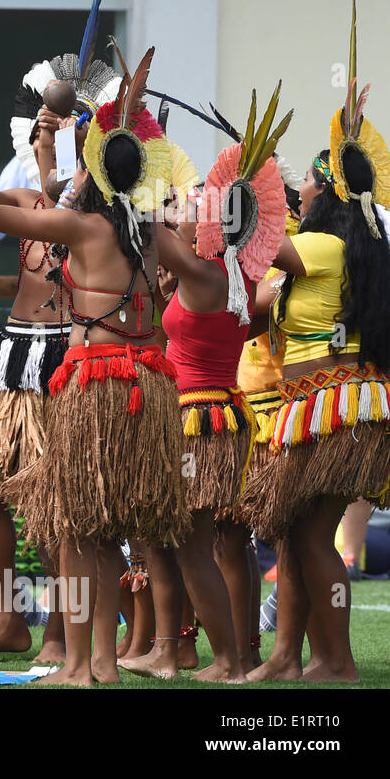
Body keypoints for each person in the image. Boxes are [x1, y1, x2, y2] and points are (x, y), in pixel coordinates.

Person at [0, 46, 184, 685]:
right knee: (108, 527)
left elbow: (0, 212)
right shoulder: (151, 231)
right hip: (149, 388)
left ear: (94, 169)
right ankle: (91, 661)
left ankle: (90, 663)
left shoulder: (86, 229)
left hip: (96, 384)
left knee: (81, 529)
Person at [121, 88, 294, 684]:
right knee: (228, 540)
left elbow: (145, 224)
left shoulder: (202, 271)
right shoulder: (245, 276)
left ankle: (227, 659)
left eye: (202, 203)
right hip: (227, 416)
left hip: (196, 422)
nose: (190, 206)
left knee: (196, 546)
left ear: (219, 221)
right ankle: (239, 653)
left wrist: (137, 160)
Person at [0, 46, 120, 655]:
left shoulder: (109, 223)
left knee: (59, 496)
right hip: (13, 355)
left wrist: (73, 142)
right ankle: (9, 616)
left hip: (69, 358)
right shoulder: (34, 205)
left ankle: (62, 629)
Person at [249, 66, 390, 682]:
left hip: (329, 407)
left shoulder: (322, 249)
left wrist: (248, 181)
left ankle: (336, 659)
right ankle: (291, 655)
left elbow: (256, 238)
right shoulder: (339, 250)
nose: (297, 190)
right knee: (298, 535)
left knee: (313, 539)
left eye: (303, 181)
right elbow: (254, 302)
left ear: (324, 191)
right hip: (329, 405)